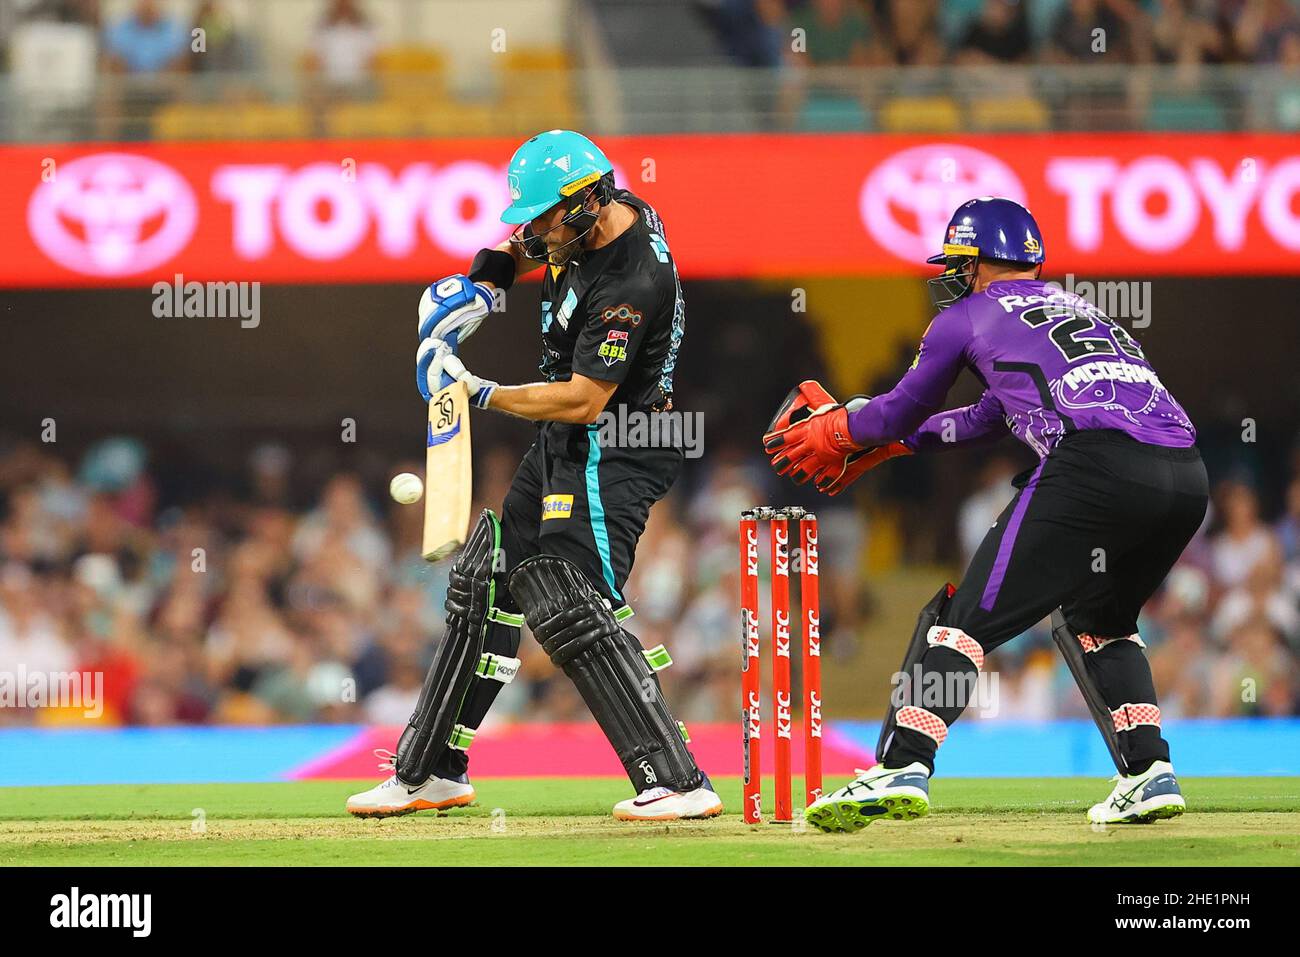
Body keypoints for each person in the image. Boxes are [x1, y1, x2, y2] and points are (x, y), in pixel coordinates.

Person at [764, 197, 1206, 829]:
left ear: (975, 262)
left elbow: (901, 407)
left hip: (1095, 468)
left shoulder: (968, 315)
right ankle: (1149, 771)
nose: (954, 275)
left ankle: (903, 764)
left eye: (959, 263)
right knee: (1099, 618)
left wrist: (845, 428)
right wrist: (892, 443)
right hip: (1185, 475)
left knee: (962, 618)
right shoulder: (1084, 308)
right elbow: (986, 418)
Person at [346, 130, 720, 821]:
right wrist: (481, 290)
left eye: (546, 219)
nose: (535, 233)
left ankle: (678, 779)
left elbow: (585, 396)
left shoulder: (633, 279)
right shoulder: (583, 216)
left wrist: (479, 390)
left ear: (583, 208)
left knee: (563, 596)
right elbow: (518, 248)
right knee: (480, 579)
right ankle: (431, 771)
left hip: (623, 441)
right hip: (567, 435)